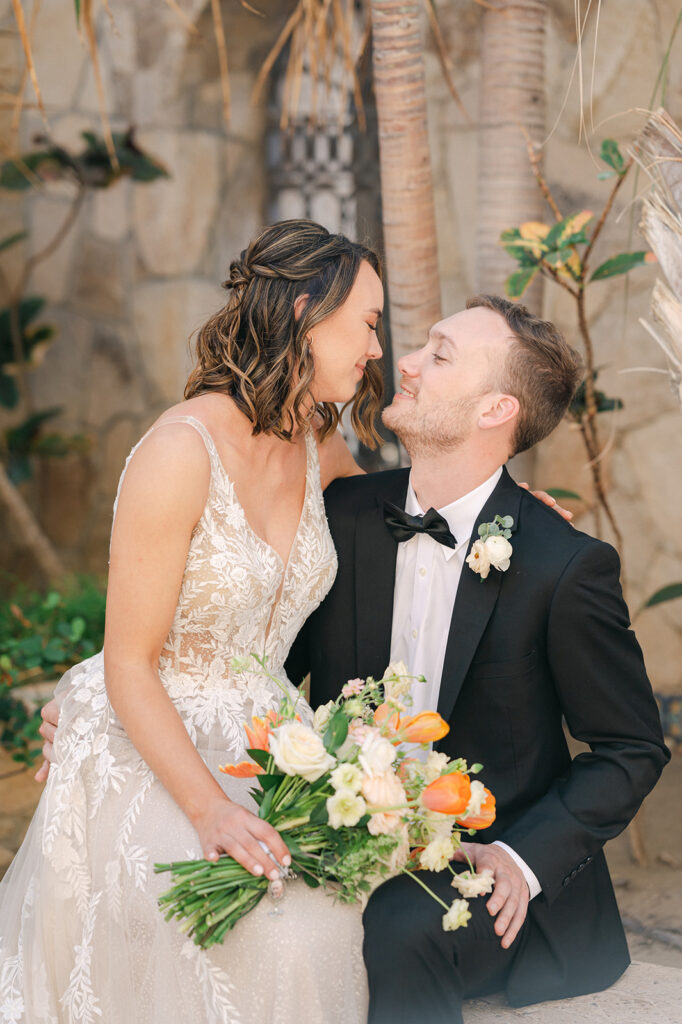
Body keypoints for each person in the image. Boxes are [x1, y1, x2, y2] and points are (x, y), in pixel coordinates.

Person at [0, 219, 388, 1024]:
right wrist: (210, 807)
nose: (378, 349)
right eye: (371, 325)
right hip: (150, 746)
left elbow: (394, 506)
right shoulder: (178, 453)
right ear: (308, 313)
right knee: (276, 937)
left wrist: (509, 504)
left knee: (338, 912)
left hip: (271, 742)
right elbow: (129, 663)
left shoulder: (317, 437)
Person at [285, 295, 670, 1023]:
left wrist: (520, 862)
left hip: (483, 868)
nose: (406, 361)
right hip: (336, 834)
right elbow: (263, 665)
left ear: (497, 409)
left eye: (440, 353)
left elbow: (630, 748)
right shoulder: (341, 517)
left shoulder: (564, 566)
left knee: (397, 926)